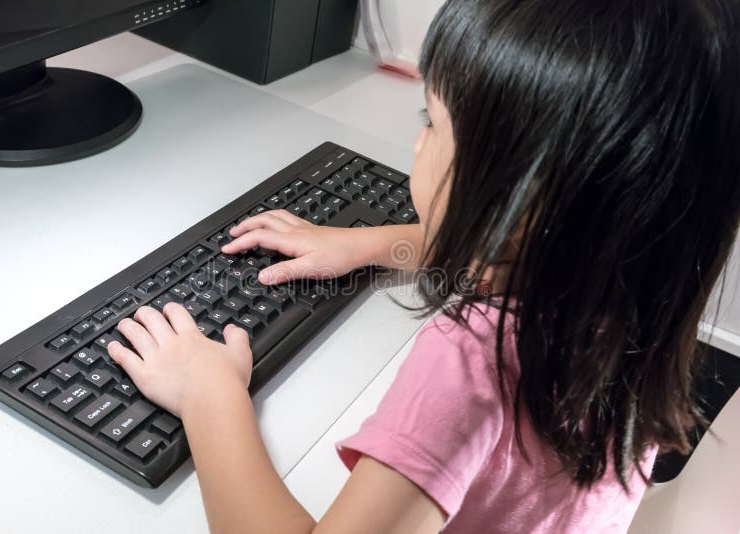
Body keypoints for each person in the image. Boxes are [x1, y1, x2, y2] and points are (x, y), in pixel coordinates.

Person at [107, 0, 740, 532]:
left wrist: (210, 394)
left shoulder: (473, 366)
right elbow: (520, 246)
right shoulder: (632, 299)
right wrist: (376, 244)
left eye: (430, 122)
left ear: (514, 195)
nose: (416, 142)